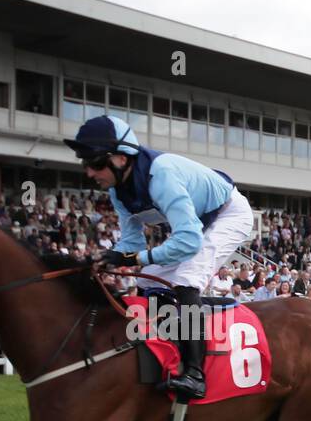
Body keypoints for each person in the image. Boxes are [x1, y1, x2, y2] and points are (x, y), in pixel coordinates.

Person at [64, 116, 253, 400]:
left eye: (95, 163)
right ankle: (160, 355)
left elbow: (188, 242)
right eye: (85, 164)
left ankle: (195, 374)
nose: (89, 172)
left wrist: (134, 258)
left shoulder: (161, 174)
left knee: (186, 279)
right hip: (198, 222)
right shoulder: (118, 191)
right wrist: (114, 255)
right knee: (148, 281)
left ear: (120, 158)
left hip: (229, 214)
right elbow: (132, 242)